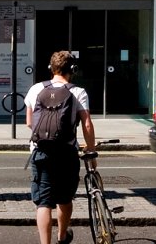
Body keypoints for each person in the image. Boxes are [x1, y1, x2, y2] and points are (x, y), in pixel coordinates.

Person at [25, 51, 96, 244]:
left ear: (51, 68)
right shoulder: (78, 92)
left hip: (41, 151)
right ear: (73, 70)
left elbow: (29, 122)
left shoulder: (36, 89)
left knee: (44, 202)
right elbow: (87, 124)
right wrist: (90, 151)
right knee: (64, 198)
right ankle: (62, 236)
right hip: (66, 153)